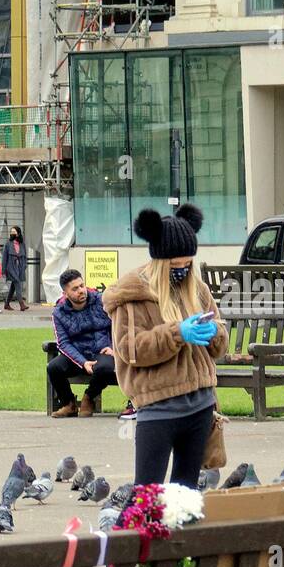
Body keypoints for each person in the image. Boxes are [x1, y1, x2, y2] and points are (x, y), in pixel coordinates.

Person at [107, 205, 227, 488]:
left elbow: (219, 347)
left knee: (185, 491)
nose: (183, 271)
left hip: (200, 403)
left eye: (188, 264)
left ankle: (179, 533)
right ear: (161, 262)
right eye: (176, 266)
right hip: (158, 406)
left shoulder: (196, 288)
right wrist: (177, 333)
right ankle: (135, 533)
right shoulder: (132, 295)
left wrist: (214, 333)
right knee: (147, 492)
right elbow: (130, 349)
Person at [47, 269, 122, 418]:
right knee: (53, 367)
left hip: (102, 350)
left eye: (82, 285)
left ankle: (89, 397)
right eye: (75, 289)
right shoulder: (59, 313)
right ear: (65, 293)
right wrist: (83, 362)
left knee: (106, 368)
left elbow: (120, 324)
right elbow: (63, 343)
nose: (81, 291)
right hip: (77, 354)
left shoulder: (102, 301)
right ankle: (69, 404)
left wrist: (115, 348)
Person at [3, 226, 29, 313]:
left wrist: (24, 265)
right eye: (11, 232)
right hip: (11, 267)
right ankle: (22, 304)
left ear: (18, 233)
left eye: (14, 231)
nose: (12, 233)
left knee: (13, 287)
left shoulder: (22, 244)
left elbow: (25, 256)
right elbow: (4, 258)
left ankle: (6, 304)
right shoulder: (8, 243)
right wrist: (3, 270)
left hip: (20, 267)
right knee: (17, 283)